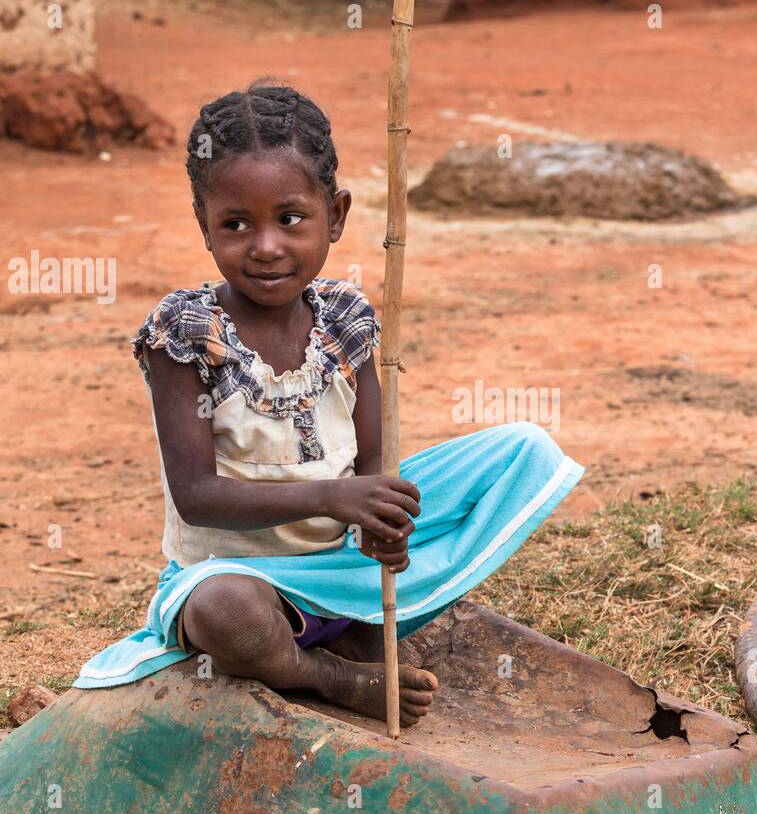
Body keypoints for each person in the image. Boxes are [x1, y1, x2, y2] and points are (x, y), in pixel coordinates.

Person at [73, 83, 585, 728]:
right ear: (204, 226)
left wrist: (382, 521)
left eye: (290, 218)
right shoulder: (186, 333)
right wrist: (330, 497)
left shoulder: (344, 319)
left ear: (335, 216)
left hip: (342, 565)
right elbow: (198, 494)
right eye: (236, 224)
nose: (265, 246)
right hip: (240, 575)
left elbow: (373, 463)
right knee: (226, 612)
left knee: (522, 452)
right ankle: (320, 672)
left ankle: (362, 619)